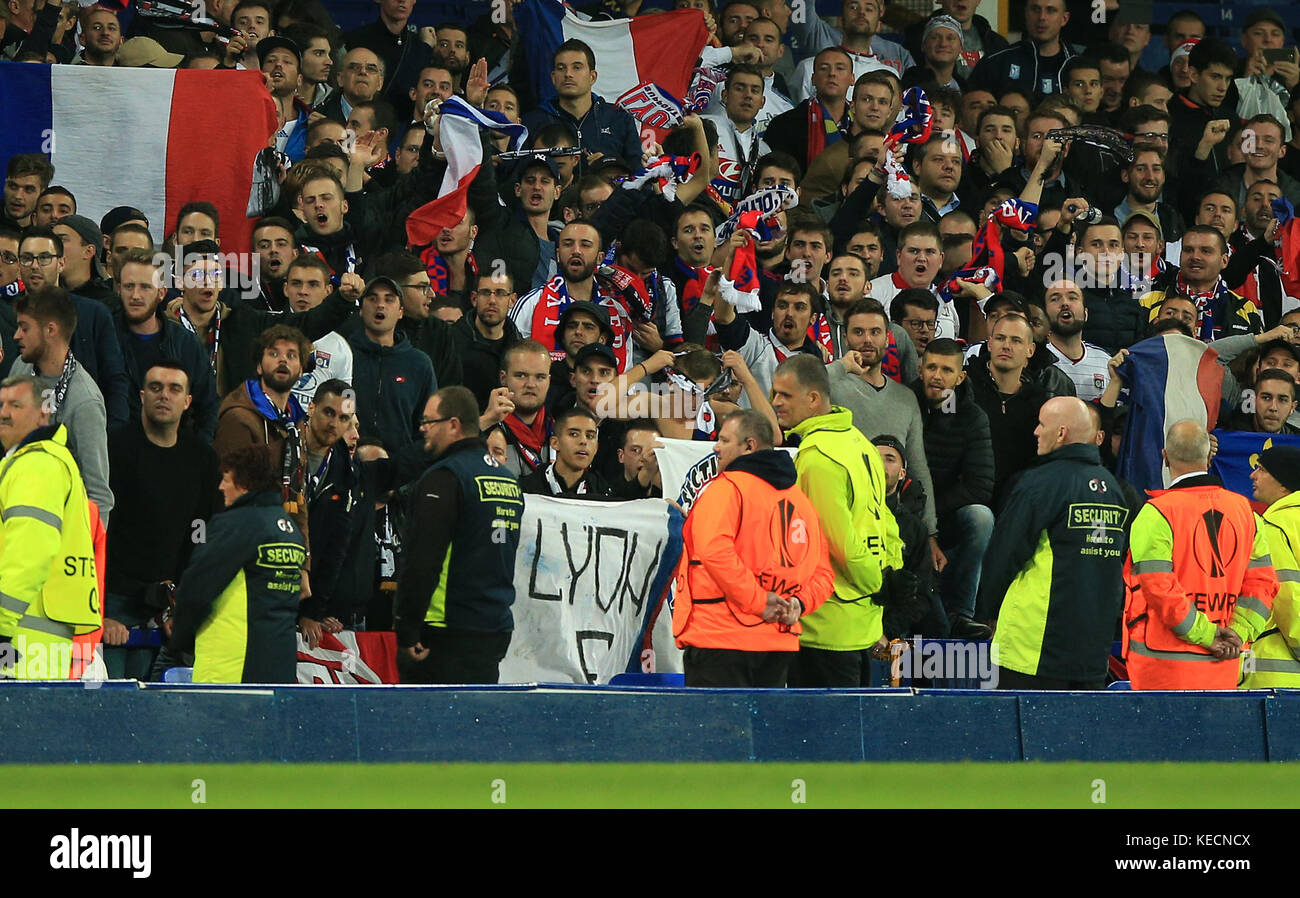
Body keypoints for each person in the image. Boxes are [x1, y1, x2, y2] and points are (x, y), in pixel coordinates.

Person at [769, 354, 907, 687]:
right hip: (864, 621)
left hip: (826, 626)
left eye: (784, 395)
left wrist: (877, 582)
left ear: (813, 398)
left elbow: (834, 541)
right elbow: (883, 519)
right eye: (775, 393)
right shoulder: (859, 442)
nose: (775, 403)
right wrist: (891, 574)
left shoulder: (817, 457)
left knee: (821, 735)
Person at [673, 409, 834, 687]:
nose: (716, 447)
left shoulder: (726, 489)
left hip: (719, 639)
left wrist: (758, 601)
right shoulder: (801, 501)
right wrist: (798, 603)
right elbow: (823, 575)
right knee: (763, 730)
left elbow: (713, 551)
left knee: (717, 731)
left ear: (749, 445)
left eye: (724, 440)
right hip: (778, 643)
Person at [976, 397, 1129, 689]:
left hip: (1033, 651)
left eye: (1041, 425)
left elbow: (1004, 555)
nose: (1035, 432)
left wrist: (988, 612)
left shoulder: (1039, 484)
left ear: (1060, 434)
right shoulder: (1113, 489)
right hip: (1092, 653)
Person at [1125, 420, 1278, 690]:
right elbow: (1263, 585)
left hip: (1160, 671)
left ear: (1165, 457)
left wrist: (1207, 635)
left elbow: (1159, 588)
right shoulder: (1247, 513)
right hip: (1223, 667)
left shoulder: (1156, 513)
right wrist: (1237, 634)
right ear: (1209, 456)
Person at [393, 386, 524, 684]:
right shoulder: (508, 480)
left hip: (445, 632)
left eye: (429, 422)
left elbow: (422, 561)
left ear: (453, 425)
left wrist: (407, 629)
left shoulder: (445, 477)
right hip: (494, 625)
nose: (423, 430)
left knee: (434, 727)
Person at [105, 362, 219, 680]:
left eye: (174, 389)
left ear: (188, 401)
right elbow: (96, 531)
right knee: (114, 704)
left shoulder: (203, 459)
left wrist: (181, 601)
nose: (163, 395)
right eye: (155, 387)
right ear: (141, 396)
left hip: (170, 605)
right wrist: (98, 612)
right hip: (114, 600)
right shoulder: (113, 448)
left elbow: (202, 534)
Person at [167, 444, 307, 684]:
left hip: (231, 669)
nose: (221, 487)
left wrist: (179, 638)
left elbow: (196, 588)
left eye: (226, 480)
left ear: (243, 483)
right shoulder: (290, 529)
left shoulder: (236, 525)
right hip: (280, 668)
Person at [0, 374, 101, 680]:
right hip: (35, 642)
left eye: (16, 405)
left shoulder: (38, 465)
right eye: (1, 404)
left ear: (44, 411)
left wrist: (1, 626)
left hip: (20, 644)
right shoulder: (35, 463)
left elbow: (29, 552)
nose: (4, 412)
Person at [912, 338, 995, 639]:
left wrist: (931, 517)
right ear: (920, 369)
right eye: (931, 366)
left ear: (960, 377)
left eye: (947, 370)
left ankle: (960, 614)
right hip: (900, 512)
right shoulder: (904, 401)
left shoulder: (972, 417)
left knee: (980, 517)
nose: (937, 376)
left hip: (945, 514)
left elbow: (979, 486)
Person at [10, 285, 113, 523]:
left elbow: (98, 494)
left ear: (50, 330)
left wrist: (88, 556)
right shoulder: (21, 368)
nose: (16, 335)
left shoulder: (84, 401)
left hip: (58, 532)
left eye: (25, 328)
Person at [113, 248, 220, 442]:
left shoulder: (185, 343)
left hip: (175, 456)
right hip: (116, 456)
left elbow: (208, 406)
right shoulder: (104, 338)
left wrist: (198, 451)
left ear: (161, 293)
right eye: (129, 286)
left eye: (145, 287)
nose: (136, 295)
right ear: (119, 289)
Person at [1241, 446, 1300, 687]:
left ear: (1284, 483)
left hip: (1278, 675)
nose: (1252, 475)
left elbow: (1286, 598)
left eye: (1262, 469)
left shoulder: (1274, 527)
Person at [519, 405, 612, 497]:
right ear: (555, 443)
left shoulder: (605, 494)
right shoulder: (525, 490)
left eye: (590, 436)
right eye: (574, 434)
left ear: (596, 448)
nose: (583, 441)